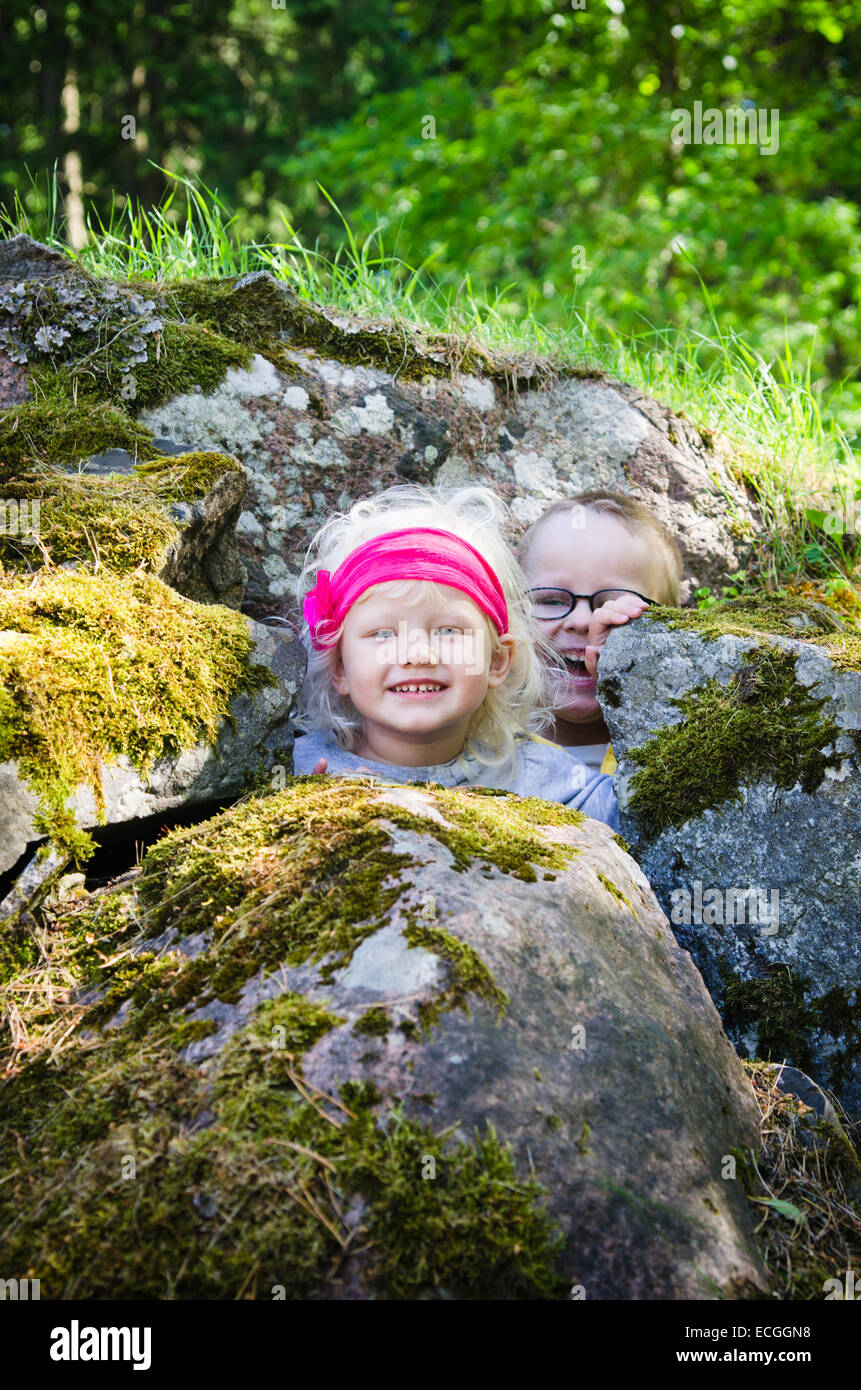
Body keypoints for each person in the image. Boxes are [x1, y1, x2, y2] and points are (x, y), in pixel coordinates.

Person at [290, 483, 619, 828]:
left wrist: (632, 662)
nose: (417, 654)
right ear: (340, 666)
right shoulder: (294, 768)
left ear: (496, 661)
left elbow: (644, 827)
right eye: (383, 634)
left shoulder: (544, 781)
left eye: (448, 631)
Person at [516, 492, 683, 775]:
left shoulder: (684, 750)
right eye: (550, 600)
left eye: (613, 604)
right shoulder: (472, 745)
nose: (582, 621)